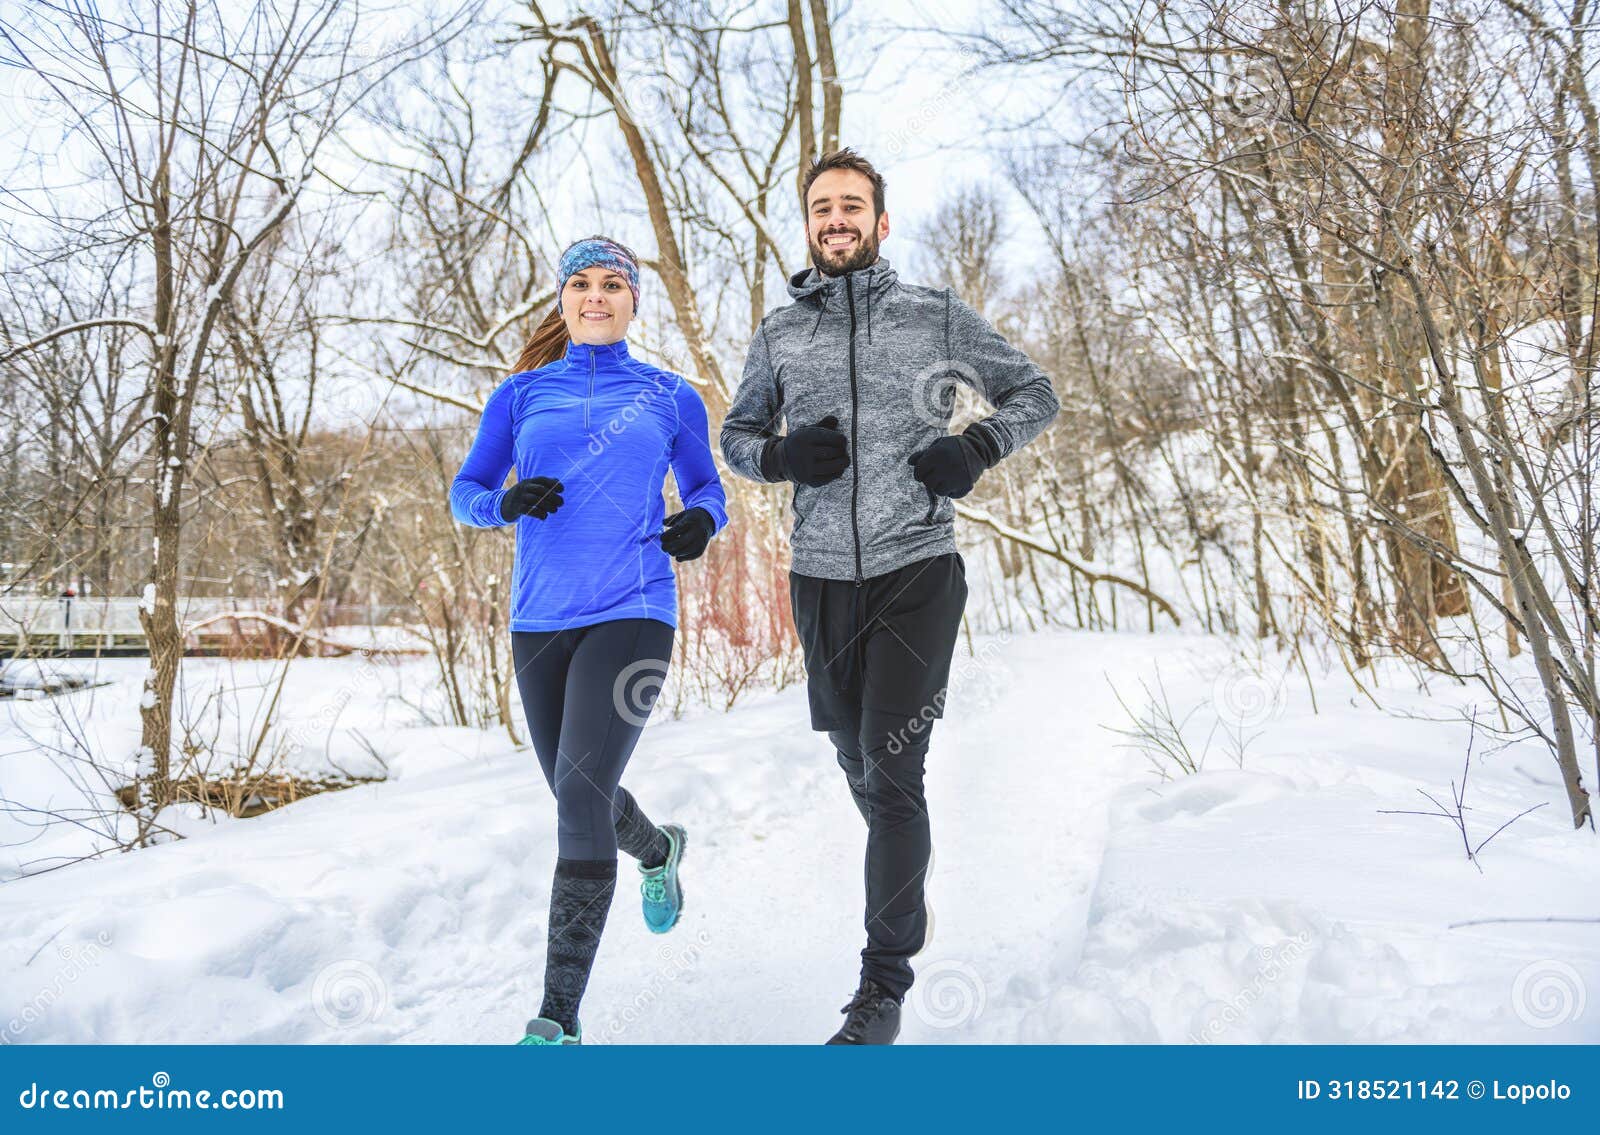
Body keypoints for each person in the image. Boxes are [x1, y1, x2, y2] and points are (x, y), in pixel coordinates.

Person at [720, 149, 1060, 1044]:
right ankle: (904, 878)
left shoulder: (935, 315)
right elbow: (737, 436)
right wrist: (781, 457)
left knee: (892, 764)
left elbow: (1037, 391)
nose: (837, 219)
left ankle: (882, 984)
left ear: (881, 220)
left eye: (853, 206)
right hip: (822, 576)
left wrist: (977, 447)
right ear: (808, 224)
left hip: (917, 569)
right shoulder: (780, 332)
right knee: (858, 761)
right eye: (822, 207)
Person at [451, 236, 728, 1045]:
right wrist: (502, 504)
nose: (597, 295)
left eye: (613, 283)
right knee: (578, 791)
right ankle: (657, 846)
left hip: (636, 607)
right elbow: (464, 491)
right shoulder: (520, 395)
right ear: (564, 299)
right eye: (581, 283)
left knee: (578, 790)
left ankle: (557, 1020)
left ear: (634, 300)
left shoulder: (673, 394)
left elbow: (709, 486)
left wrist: (702, 521)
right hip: (539, 618)